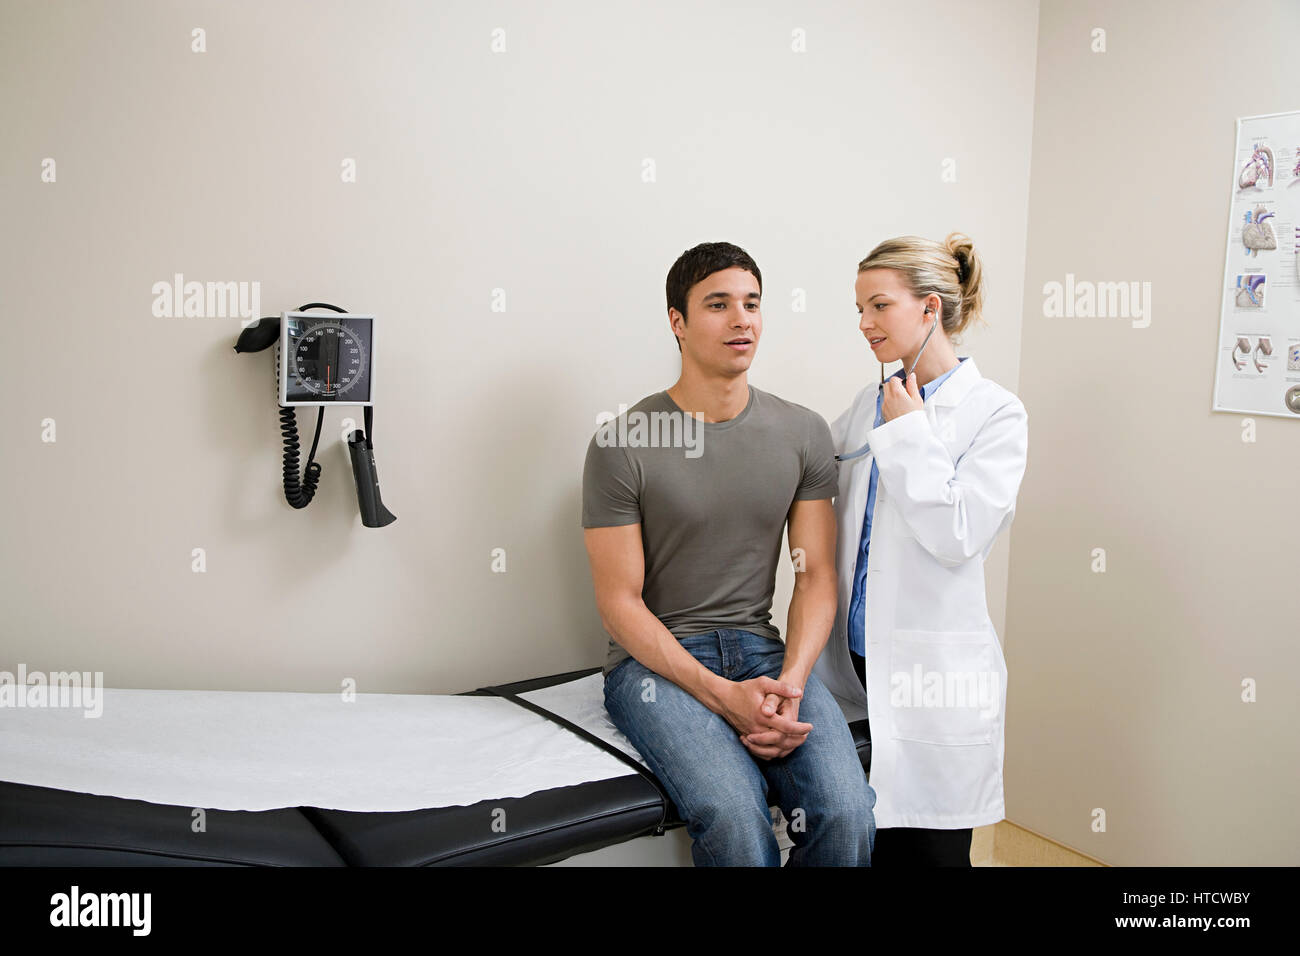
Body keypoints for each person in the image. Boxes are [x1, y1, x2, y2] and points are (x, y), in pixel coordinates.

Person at [582, 241, 876, 866]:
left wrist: (792, 683)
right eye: (718, 304)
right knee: (734, 815)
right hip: (655, 668)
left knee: (848, 814)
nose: (741, 319)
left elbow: (817, 575)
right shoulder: (622, 442)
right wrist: (724, 697)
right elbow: (619, 603)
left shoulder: (801, 433)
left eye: (752, 304)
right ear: (677, 322)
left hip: (762, 651)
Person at [811, 233, 1028, 867]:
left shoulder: (996, 414)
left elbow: (959, 534)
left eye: (879, 306)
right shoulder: (864, 408)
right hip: (854, 670)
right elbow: (810, 484)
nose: (863, 324)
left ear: (929, 309)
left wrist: (907, 429)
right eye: (860, 308)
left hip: (934, 684)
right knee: (865, 848)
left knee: (930, 857)